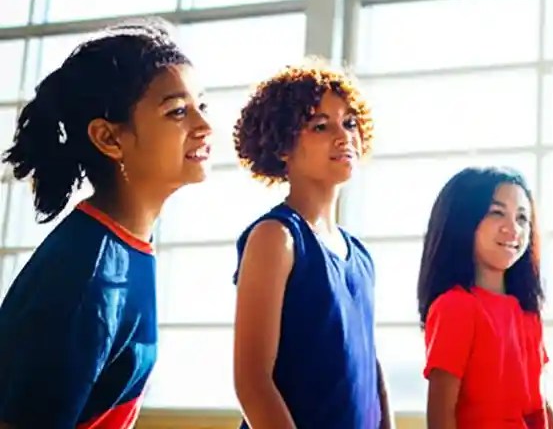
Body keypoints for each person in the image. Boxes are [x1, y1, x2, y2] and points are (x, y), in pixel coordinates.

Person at [0, 21, 212, 429]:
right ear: (109, 138)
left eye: (202, 106)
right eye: (177, 112)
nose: (203, 127)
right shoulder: (88, 273)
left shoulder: (124, 249)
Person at [231, 60, 392, 428]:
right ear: (282, 145)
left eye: (349, 122)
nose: (343, 136)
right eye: (321, 126)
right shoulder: (276, 238)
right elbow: (252, 383)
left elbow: (369, 366)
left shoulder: (360, 255)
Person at [418, 166, 553, 429]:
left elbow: (539, 404)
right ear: (463, 221)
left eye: (522, 218)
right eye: (497, 213)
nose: (513, 229)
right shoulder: (455, 307)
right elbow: (440, 414)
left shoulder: (528, 312)